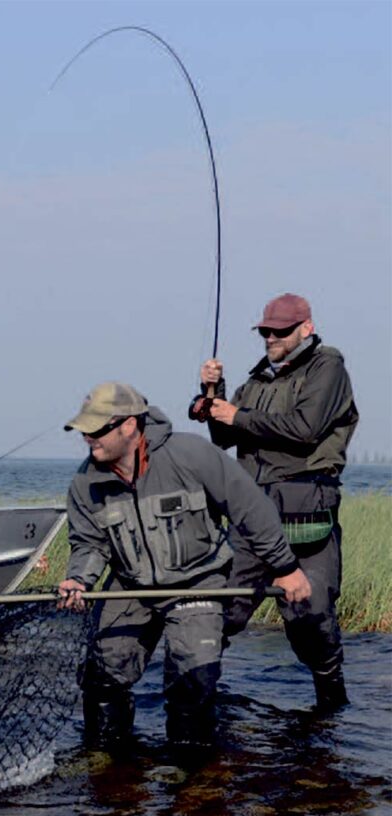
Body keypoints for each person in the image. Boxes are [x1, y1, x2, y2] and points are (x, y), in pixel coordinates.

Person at [57, 382, 311, 749]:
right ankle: (108, 766)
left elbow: (250, 508)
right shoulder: (84, 483)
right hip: (130, 584)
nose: (88, 439)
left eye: (96, 430)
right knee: (102, 676)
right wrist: (78, 579)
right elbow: (88, 542)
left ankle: (190, 777)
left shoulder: (190, 454)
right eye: (84, 430)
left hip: (199, 581)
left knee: (192, 679)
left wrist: (285, 567)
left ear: (129, 426)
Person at [190, 293, 359, 711]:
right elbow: (226, 437)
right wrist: (214, 394)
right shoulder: (258, 379)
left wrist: (237, 415)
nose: (270, 338)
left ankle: (331, 708)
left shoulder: (328, 367)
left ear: (306, 328)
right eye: (265, 331)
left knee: (310, 616)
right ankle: (195, 704)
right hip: (253, 514)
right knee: (224, 608)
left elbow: (305, 429)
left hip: (308, 513)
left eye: (279, 331)